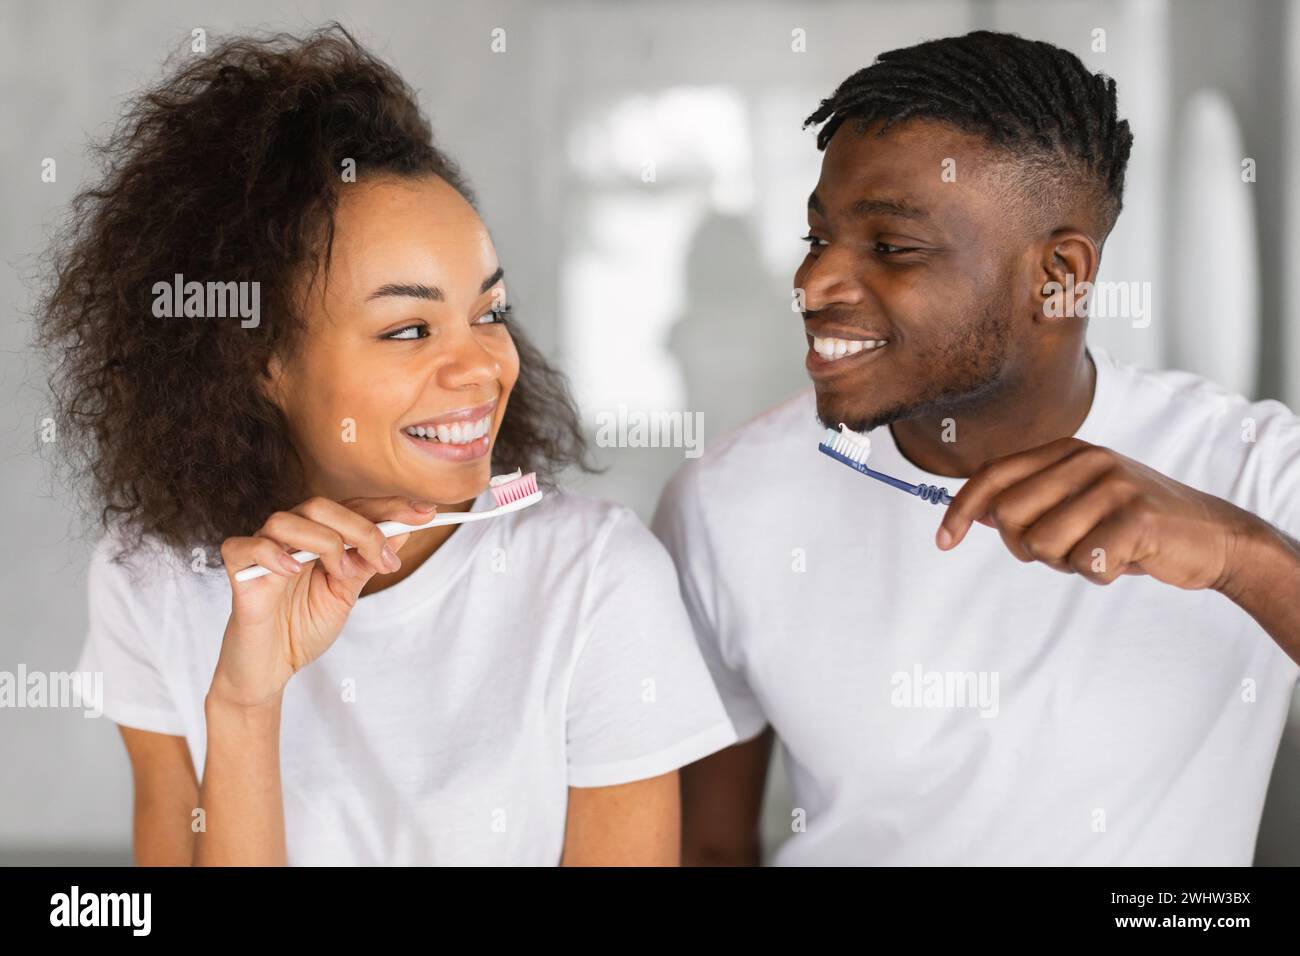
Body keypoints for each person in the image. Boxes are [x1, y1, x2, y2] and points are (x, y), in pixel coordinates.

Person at [40, 25, 736, 866]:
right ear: (258, 361)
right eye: (409, 328)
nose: (482, 367)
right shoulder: (147, 579)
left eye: (489, 311)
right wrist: (244, 707)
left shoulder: (594, 579)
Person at [653, 30, 1300, 866]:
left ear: (1059, 275)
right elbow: (705, 847)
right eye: (819, 239)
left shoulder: (1253, 469)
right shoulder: (724, 502)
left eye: (891, 248)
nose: (812, 285)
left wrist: (1236, 556)